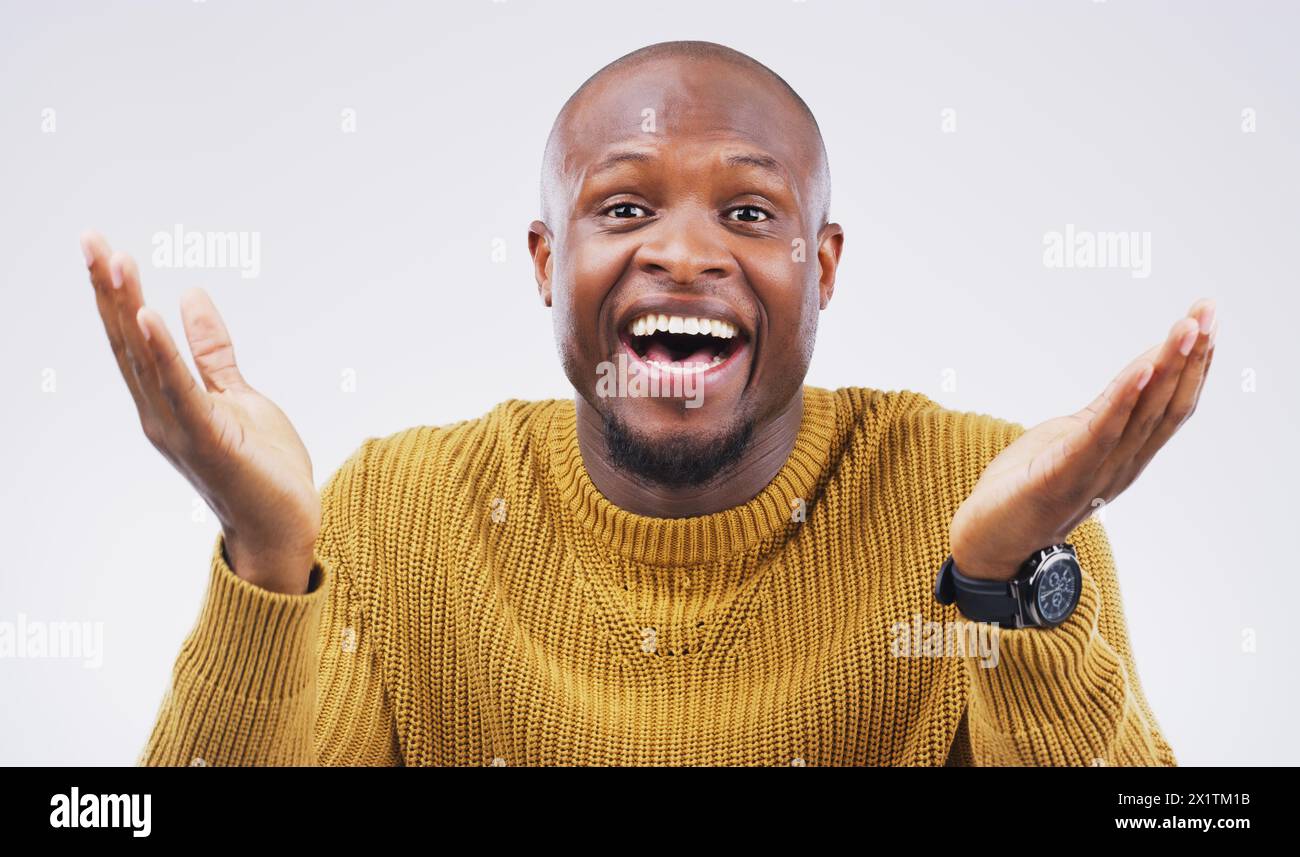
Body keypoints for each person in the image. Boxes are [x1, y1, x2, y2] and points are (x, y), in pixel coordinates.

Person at [82, 41, 1213, 766]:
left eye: (751, 214)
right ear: (545, 259)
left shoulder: (995, 504)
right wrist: (268, 557)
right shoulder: (396, 512)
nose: (683, 252)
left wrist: (1001, 582)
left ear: (822, 268)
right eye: (623, 210)